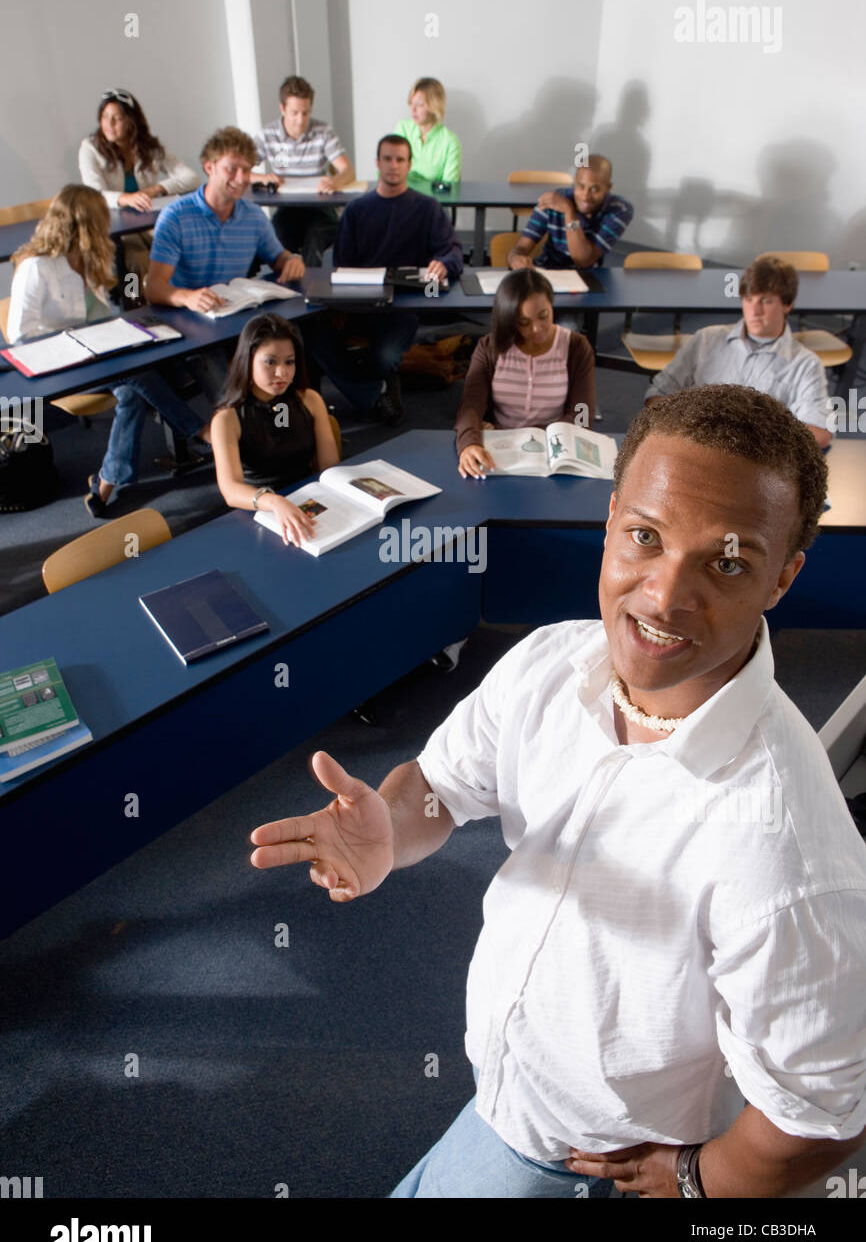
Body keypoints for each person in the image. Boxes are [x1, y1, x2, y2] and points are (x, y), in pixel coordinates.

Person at [249, 384, 866, 1199]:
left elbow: (823, 1112)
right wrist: (393, 830)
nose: (664, 597)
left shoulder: (787, 852)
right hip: (508, 1103)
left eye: (727, 562)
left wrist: (700, 1180)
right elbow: (440, 785)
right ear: (610, 520)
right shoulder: (553, 660)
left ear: (783, 577)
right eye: (645, 537)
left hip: (588, 1162)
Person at [8, 185, 210, 518]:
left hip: (99, 355)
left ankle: (106, 481)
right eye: (101, 220)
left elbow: (101, 314)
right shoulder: (36, 267)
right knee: (136, 374)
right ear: (83, 224)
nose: (108, 226)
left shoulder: (91, 258)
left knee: (133, 389)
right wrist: (74, 340)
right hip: (60, 364)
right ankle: (198, 431)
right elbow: (19, 336)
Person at [305, 134, 463, 425]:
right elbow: (342, 265)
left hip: (402, 308)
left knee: (384, 357)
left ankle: (372, 384)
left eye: (400, 160)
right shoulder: (356, 210)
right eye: (387, 159)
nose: (393, 165)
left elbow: (452, 251)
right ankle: (375, 391)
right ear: (377, 163)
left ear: (408, 165)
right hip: (358, 305)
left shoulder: (427, 208)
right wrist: (339, 307)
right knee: (311, 335)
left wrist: (444, 263)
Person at [144, 127, 305, 400]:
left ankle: (285, 423)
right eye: (232, 169)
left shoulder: (253, 216)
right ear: (209, 167)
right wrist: (188, 297)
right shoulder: (175, 216)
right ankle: (234, 429)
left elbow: (278, 257)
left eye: (247, 170)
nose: (241, 179)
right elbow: (152, 287)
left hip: (235, 315)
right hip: (190, 320)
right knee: (209, 359)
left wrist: (292, 260)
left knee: (293, 338)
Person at [644, 254, 833, 447]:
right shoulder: (706, 339)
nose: (755, 310)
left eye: (766, 301)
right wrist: (680, 431)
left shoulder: (805, 363)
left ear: (787, 304)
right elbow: (659, 392)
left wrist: (757, 442)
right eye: (749, 299)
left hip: (759, 459)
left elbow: (819, 431)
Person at [211, 313, 339, 547]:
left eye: (289, 362)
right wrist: (274, 501)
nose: (282, 373)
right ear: (247, 360)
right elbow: (230, 490)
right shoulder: (226, 419)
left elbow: (329, 468)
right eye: (270, 362)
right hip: (258, 511)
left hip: (310, 502)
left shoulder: (310, 400)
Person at [455, 269, 595, 478]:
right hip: (500, 442)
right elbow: (470, 405)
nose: (537, 329)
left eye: (543, 316)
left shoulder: (576, 347)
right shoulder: (489, 347)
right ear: (510, 319)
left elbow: (583, 412)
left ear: (552, 305)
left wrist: (553, 435)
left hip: (554, 446)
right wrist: (469, 442)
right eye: (524, 322)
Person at [78, 88, 199, 286]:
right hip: (116, 228)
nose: (109, 124)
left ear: (131, 121)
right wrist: (124, 198)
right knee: (136, 263)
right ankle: (134, 303)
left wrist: (156, 189)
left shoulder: (148, 146)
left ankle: (176, 297)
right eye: (104, 117)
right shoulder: (90, 148)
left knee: (180, 250)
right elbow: (93, 192)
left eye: (116, 118)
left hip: (148, 222)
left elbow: (191, 177)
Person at [251, 75, 355, 266]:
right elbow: (241, 172)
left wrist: (335, 181)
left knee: (315, 240)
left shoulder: (323, 132)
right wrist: (263, 177)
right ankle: (286, 289)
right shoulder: (268, 134)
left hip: (320, 209)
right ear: (282, 109)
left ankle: (311, 290)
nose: (300, 120)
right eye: (295, 113)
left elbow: (347, 170)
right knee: (278, 240)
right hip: (287, 208)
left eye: (305, 113)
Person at [507, 155, 633, 271]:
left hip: (589, 276)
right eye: (581, 186)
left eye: (594, 189)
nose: (585, 196)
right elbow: (521, 248)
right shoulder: (553, 201)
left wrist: (569, 212)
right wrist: (515, 258)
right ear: (574, 183)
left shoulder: (620, 210)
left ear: (608, 188)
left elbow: (582, 261)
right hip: (547, 270)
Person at [395, 77, 462, 186]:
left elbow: (450, 188)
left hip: (434, 202)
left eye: (420, 104)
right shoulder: (402, 128)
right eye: (411, 103)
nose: (413, 109)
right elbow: (390, 174)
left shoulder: (450, 141)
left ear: (434, 106)